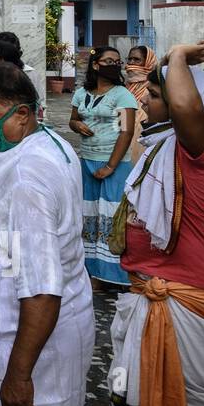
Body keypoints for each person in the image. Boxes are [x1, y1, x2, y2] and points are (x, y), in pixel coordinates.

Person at [0, 61, 94, 406]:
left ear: (23, 114)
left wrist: (18, 375)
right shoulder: (46, 140)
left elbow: (42, 288)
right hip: (18, 330)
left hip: (20, 341)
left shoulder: (27, 180)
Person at [108, 41, 204, 406]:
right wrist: (165, 67)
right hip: (149, 289)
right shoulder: (159, 147)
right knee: (131, 398)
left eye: (153, 95)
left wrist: (177, 57)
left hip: (189, 294)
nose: (145, 102)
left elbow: (185, 108)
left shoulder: (202, 151)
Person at [70, 47, 137, 289]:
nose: (114, 65)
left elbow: (126, 131)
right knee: (89, 216)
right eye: (108, 61)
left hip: (115, 163)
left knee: (112, 216)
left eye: (117, 62)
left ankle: (114, 275)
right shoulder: (81, 93)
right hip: (87, 161)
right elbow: (73, 118)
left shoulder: (123, 95)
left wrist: (111, 165)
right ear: (96, 65)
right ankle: (90, 272)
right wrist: (77, 125)